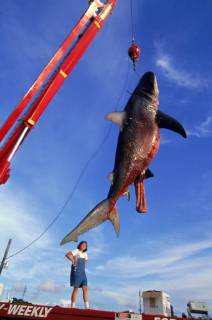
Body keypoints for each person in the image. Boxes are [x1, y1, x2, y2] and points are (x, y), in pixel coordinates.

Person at [65, 241, 89, 309]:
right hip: (76, 271)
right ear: (80, 245)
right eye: (83, 244)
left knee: (85, 289)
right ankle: (73, 306)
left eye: (85, 245)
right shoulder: (76, 251)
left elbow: (86, 261)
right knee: (76, 289)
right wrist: (73, 260)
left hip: (82, 273)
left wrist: (84, 265)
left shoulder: (85, 254)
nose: (84, 246)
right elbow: (67, 254)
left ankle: (87, 307)